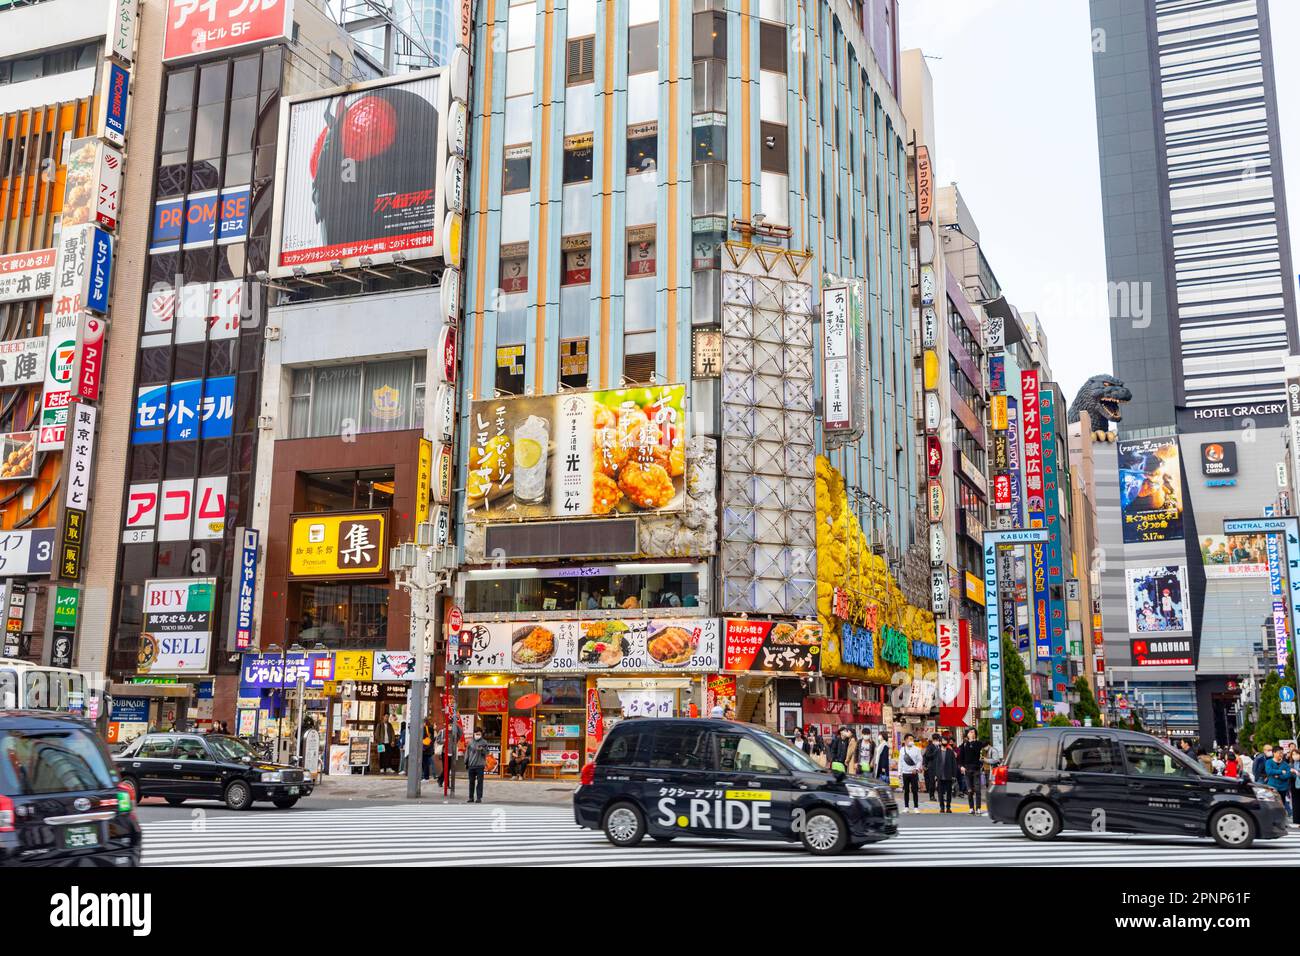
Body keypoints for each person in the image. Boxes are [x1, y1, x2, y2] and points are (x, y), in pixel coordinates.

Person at [957, 728, 987, 814]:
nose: (972, 733)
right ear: (967, 734)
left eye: (973, 732)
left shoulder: (978, 744)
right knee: (969, 790)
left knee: (977, 789)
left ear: (975, 734)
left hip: (976, 769)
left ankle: (978, 808)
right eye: (970, 732)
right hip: (967, 769)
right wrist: (961, 766)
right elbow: (960, 758)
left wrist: (972, 741)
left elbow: (977, 753)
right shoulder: (964, 745)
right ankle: (971, 808)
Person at [898, 734, 924, 813]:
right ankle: (906, 807)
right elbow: (900, 761)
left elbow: (920, 760)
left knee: (915, 790)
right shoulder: (902, 750)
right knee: (906, 791)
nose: (911, 740)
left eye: (912, 739)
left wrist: (916, 769)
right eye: (910, 739)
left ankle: (916, 807)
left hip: (913, 773)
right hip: (905, 772)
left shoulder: (917, 749)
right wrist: (899, 772)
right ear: (905, 740)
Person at [464, 727, 490, 803]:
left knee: (480, 782)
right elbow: (467, 753)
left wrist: (482, 750)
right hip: (471, 765)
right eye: (476, 734)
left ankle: (479, 798)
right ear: (474, 734)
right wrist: (466, 762)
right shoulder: (470, 742)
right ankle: (471, 797)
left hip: (480, 765)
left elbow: (487, 753)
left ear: (481, 734)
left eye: (479, 734)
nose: (477, 735)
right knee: (471, 782)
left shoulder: (484, 742)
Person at [933, 737, 958, 813]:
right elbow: (934, 764)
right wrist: (935, 774)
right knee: (940, 792)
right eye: (943, 740)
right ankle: (942, 807)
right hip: (939, 775)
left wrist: (954, 775)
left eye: (946, 741)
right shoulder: (937, 752)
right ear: (940, 742)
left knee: (949, 792)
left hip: (948, 775)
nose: (945, 742)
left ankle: (948, 807)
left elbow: (954, 764)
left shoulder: (950, 752)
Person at [923, 734, 941, 802]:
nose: (937, 741)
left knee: (940, 782)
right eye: (936, 740)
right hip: (932, 766)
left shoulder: (940, 746)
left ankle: (941, 796)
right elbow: (927, 756)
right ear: (933, 740)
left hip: (939, 766)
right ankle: (932, 796)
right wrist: (935, 753)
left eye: (938, 740)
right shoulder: (930, 746)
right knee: (932, 782)